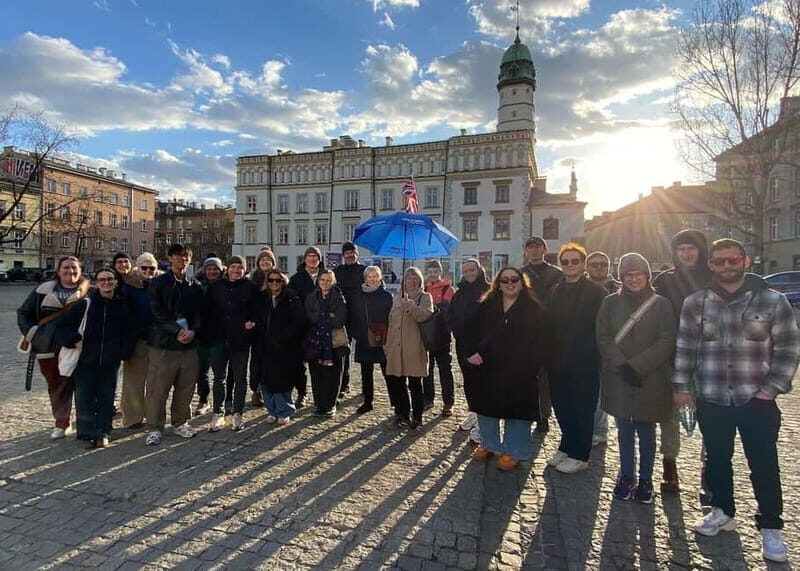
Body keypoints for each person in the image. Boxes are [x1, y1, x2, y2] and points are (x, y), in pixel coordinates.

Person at [673, 239, 800, 563]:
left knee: (764, 465)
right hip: (712, 396)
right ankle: (722, 511)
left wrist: (771, 389)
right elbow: (686, 347)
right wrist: (682, 388)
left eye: (732, 260)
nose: (726, 266)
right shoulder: (696, 302)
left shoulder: (773, 301)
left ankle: (771, 527)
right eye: (719, 262)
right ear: (711, 265)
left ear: (744, 261)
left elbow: (787, 349)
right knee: (717, 460)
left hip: (755, 398)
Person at [596, 253, 676, 503]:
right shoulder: (610, 303)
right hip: (619, 376)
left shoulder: (661, 304)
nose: (634, 279)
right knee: (624, 430)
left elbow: (666, 339)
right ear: (621, 278)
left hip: (649, 377)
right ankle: (626, 475)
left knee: (647, 430)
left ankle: (646, 480)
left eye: (638, 274)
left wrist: (638, 366)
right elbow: (603, 336)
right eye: (628, 275)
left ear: (646, 276)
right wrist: (621, 364)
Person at [464, 267, 552, 471]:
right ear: (498, 284)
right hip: (488, 366)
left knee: (518, 412)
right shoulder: (486, 304)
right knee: (486, 408)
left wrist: (533, 363)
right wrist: (471, 353)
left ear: (522, 282)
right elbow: (468, 330)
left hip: (521, 370)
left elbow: (543, 340)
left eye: (514, 279)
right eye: (505, 280)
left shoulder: (533, 308)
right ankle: (489, 444)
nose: (510, 283)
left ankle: (514, 451)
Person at [652, 229, 712, 494]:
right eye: (681, 249)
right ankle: (669, 465)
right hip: (673, 355)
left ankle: (710, 469)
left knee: (711, 415)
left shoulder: (713, 278)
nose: (686, 254)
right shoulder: (665, 280)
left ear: (701, 251)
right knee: (669, 413)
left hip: (708, 357)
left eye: (692, 248)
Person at [55, 267, 136, 448]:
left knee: (106, 397)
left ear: (115, 281)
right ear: (95, 282)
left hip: (110, 360)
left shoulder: (123, 305)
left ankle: (103, 432)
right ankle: (87, 433)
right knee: (84, 397)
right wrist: (74, 340)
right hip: (86, 360)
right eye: (102, 280)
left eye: (109, 279)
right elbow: (62, 326)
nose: (106, 282)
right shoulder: (85, 304)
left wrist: (123, 351)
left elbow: (130, 332)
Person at [546, 243, 606, 473]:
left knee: (582, 407)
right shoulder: (554, 290)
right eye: (565, 261)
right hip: (557, 358)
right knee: (562, 406)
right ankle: (566, 445)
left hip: (584, 359)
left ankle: (580, 454)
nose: (570, 265)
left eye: (575, 261)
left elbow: (601, 327)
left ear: (583, 264)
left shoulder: (596, 291)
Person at [17, 256, 91, 439]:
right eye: (65, 268)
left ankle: (88, 422)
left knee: (84, 384)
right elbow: (24, 313)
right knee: (56, 384)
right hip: (47, 346)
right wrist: (32, 334)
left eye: (74, 268)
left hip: (79, 345)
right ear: (58, 271)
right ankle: (61, 422)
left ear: (80, 271)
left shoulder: (91, 292)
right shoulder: (42, 291)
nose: (70, 271)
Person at [144, 243, 204, 446]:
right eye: (179, 256)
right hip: (163, 344)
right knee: (157, 388)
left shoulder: (194, 285)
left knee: (186, 387)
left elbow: (199, 313)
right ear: (170, 258)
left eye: (186, 256)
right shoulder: (158, 283)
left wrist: (193, 330)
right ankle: (154, 427)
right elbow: (156, 312)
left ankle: (180, 422)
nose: (183, 259)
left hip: (188, 344)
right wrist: (176, 331)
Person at [206, 256, 258, 432]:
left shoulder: (250, 288)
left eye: (240, 268)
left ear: (244, 270)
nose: (237, 270)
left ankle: (238, 411)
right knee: (219, 378)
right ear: (227, 269)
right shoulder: (216, 287)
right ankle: (218, 412)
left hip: (240, 340)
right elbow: (207, 312)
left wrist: (252, 323)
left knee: (240, 378)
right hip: (219, 339)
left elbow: (256, 312)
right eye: (234, 267)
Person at [447, 258, 491, 443]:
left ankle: (483, 424)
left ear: (479, 270)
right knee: (469, 382)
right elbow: (451, 315)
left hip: (481, 347)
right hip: (463, 345)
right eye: (466, 271)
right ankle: (474, 412)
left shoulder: (489, 291)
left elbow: (491, 321)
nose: (469, 274)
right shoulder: (459, 293)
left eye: (472, 270)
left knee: (483, 385)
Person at [384, 267, 433, 431]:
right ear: (403, 281)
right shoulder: (397, 297)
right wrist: (387, 345)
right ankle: (402, 415)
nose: (411, 281)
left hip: (414, 347)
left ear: (420, 280)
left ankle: (417, 419)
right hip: (396, 347)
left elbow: (424, 316)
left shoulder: (425, 297)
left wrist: (410, 305)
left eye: (415, 278)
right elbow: (392, 323)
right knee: (398, 382)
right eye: (408, 278)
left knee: (415, 384)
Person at [520, 236, 561, 434]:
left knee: (545, 379)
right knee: (525, 377)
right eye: (531, 247)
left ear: (544, 250)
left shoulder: (556, 273)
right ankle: (528, 412)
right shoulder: (520, 273)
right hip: (525, 333)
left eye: (538, 247)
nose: (534, 251)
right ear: (526, 251)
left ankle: (544, 416)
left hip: (548, 331)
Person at [118, 252, 163, 429]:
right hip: (137, 340)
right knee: (134, 382)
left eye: (151, 267)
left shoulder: (161, 284)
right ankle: (133, 417)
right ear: (138, 268)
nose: (148, 271)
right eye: (144, 267)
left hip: (158, 340)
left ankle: (152, 414)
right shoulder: (129, 287)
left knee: (155, 382)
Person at [257, 270, 307, 424]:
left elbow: (299, 322)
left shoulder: (291, 298)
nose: (274, 283)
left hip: (285, 346)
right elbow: (258, 317)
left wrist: (284, 336)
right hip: (265, 345)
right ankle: (271, 409)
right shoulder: (263, 297)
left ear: (283, 282)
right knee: (266, 379)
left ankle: (284, 410)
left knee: (282, 380)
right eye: (271, 280)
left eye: (277, 281)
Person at [586, 251, 620, 447]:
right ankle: (595, 428)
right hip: (587, 346)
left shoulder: (617, 289)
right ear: (587, 267)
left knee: (605, 390)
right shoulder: (582, 288)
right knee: (591, 390)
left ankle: (600, 430)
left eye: (602, 264)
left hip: (611, 346)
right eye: (594, 264)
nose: (598, 268)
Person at [304, 269, 348, 417]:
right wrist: (325, 315)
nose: (325, 283)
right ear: (318, 281)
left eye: (328, 280)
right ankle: (319, 404)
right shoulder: (312, 297)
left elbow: (340, 319)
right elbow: (308, 316)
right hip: (316, 341)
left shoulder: (338, 297)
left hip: (334, 342)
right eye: (322, 280)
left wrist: (325, 318)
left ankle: (330, 404)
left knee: (333, 376)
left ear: (333, 282)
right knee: (317, 375)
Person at [349, 265, 392, 414]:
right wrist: (356, 332)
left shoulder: (386, 296)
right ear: (365, 278)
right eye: (369, 276)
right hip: (363, 337)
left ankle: (396, 402)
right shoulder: (358, 295)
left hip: (382, 337)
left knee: (388, 371)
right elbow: (353, 316)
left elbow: (391, 318)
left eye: (375, 276)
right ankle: (368, 402)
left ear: (379, 278)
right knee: (366, 373)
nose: (372, 279)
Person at [289, 246, 325, 407]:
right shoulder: (296, 279)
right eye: (309, 256)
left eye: (315, 256)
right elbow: (291, 301)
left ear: (319, 259)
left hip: (321, 325)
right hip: (302, 326)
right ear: (304, 259)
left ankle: (320, 395)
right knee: (299, 364)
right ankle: (302, 392)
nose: (312, 259)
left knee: (318, 364)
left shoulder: (326, 277)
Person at [422, 260, 455, 416]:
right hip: (426, 335)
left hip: (441, 335)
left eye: (436, 271)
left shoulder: (448, 288)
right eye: (430, 272)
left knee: (445, 370)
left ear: (440, 272)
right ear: (427, 274)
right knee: (426, 370)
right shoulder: (423, 289)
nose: (433, 274)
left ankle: (448, 402)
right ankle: (428, 398)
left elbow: (450, 311)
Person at [334, 241, 366, 398]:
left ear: (357, 254)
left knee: (365, 353)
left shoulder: (364, 271)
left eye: (352, 252)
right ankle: (344, 384)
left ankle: (367, 388)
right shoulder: (338, 271)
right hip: (343, 317)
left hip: (361, 318)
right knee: (343, 352)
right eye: (347, 253)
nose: (350, 255)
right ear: (343, 255)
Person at [194, 256, 224, 416]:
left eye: (215, 269)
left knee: (219, 374)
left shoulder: (225, 286)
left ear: (220, 271)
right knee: (201, 372)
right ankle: (203, 399)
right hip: (201, 335)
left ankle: (219, 405)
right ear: (204, 270)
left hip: (219, 336)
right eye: (209, 268)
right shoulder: (197, 285)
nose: (212, 271)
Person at [247, 247, 276, 407]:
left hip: (273, 326)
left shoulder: (277, 279)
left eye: (268, 259)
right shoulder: (252, 280)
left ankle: (270, 389)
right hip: (256, 327)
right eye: (262, 259)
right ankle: (256, 391)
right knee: (256, 360)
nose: (265, 262)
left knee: (272, 360)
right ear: (258, 262)